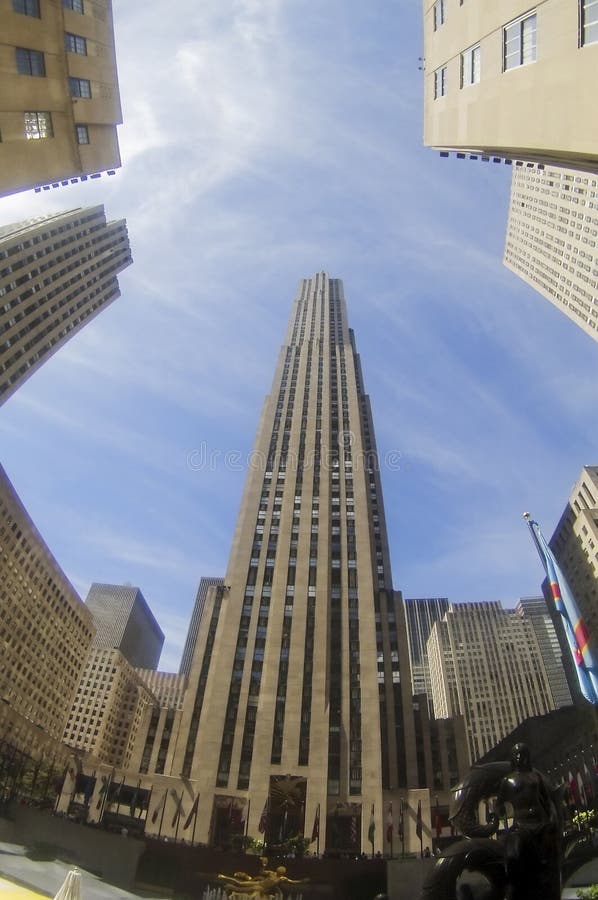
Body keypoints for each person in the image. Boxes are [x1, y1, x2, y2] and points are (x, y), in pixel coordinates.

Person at [492, 743, 560, 900]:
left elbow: (546, 799)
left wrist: (550, 818)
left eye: (522, 753)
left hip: (541, 823)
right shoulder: (507, 780)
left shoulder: (536, 777)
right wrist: (497, 815)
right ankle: (515, 888)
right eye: (516, 754)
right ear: (513, 758)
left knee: (546, 861)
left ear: (527, 756)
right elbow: (498, 805)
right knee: (514, 857)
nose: (519, 757)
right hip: (521, 826)